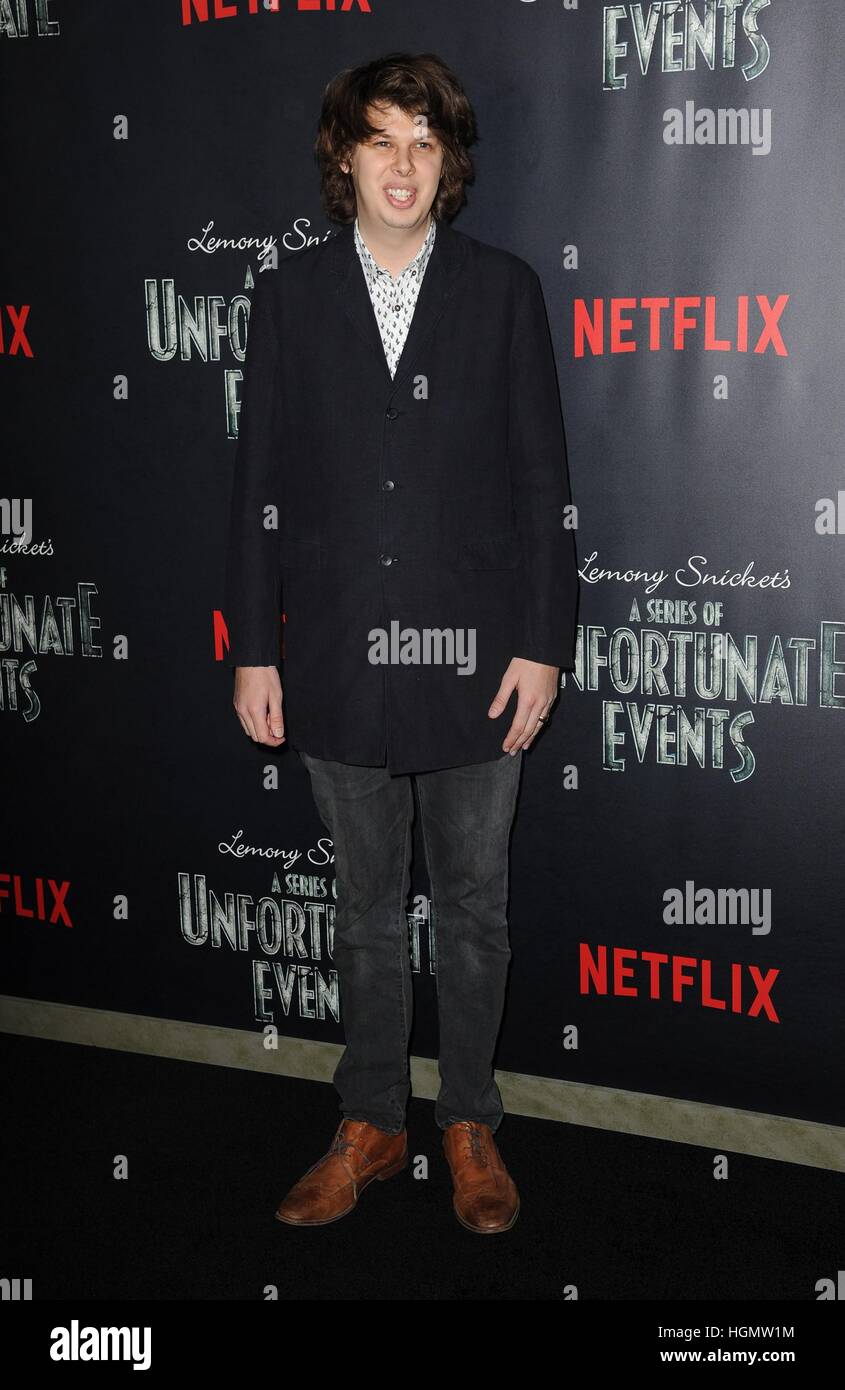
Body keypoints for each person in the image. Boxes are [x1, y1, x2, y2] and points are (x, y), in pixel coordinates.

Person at [224, 51, 579, 1234]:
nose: (403, 164)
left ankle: (467, 1118)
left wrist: (541, 643)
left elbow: (541, 486)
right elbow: (255, 484)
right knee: (366, 910)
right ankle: (371, 1118)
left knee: (474, 906)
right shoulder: (285, 296)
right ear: (344, 157)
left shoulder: (504, 290)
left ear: (450, 162)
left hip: (479, 666)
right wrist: (254, 650)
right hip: (330, 656)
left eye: (424, 142)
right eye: (380, 139)